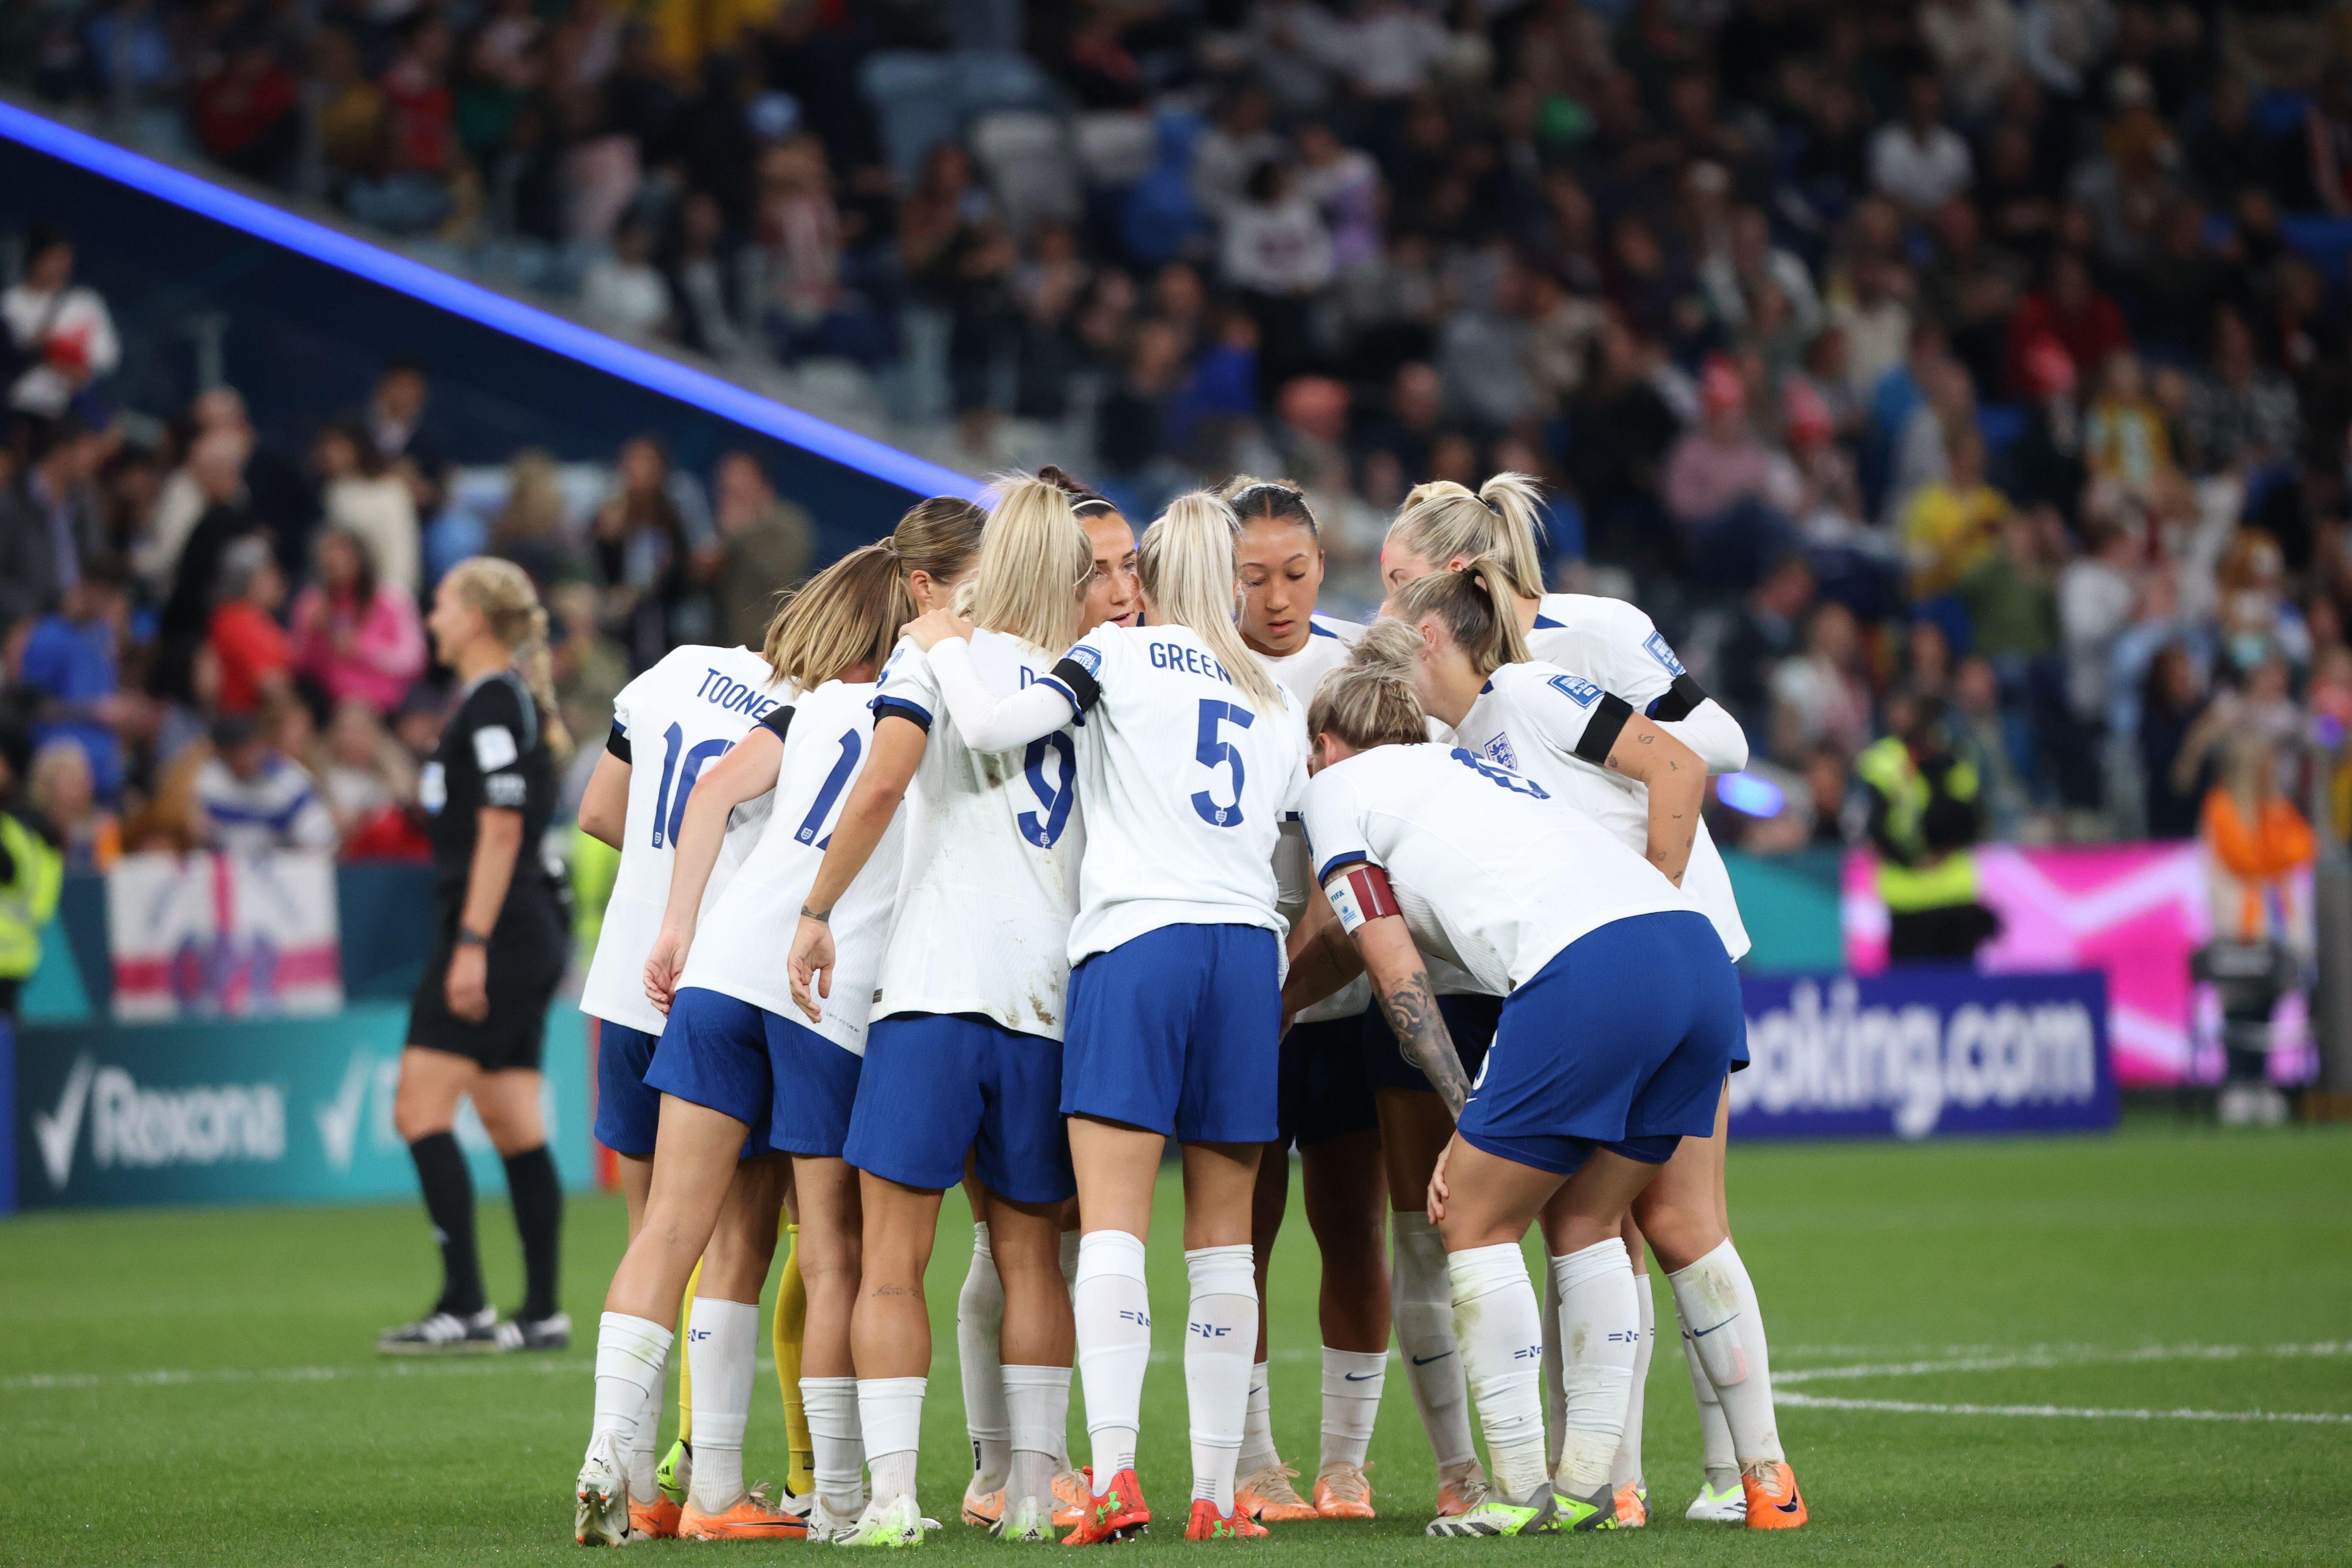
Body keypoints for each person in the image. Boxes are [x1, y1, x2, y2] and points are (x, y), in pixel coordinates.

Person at [1379, 473, 1796, 1529]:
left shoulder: (1551, 670)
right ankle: (1656, 1482)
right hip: (1616, 969)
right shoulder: (1461, 724)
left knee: (1655, 1219)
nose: (1383, 608)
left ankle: (1705, 1474)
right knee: (1610, 1221)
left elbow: (1692, 758)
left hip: (1653, 954)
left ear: (1448, 589)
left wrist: (1648, 897)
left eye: (1396, 583)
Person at [903, 491, 1310, 1543]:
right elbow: (1292, 837)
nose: (1120, 588)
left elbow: (992, 727)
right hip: (1245, 950)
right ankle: (1217, 1495)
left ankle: (1118, 1475)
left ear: (1156, 580)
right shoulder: (1272, 692)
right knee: (1224, 1246)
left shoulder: (1116, 657)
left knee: (1114, 1226)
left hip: (1138, 944)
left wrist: (944, 647)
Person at [1282, 625, 1744, 1536]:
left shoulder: (1332, 789)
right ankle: (1589, 1485)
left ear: (1325, 744)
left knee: (1472, 1215)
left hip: (1589, 966)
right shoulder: (1469, 767)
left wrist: (1467, 1121)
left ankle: (1519, 1489)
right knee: (1588, 1221)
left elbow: (1395, 972)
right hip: (1693, 950)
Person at [575, 543, 913, 1547]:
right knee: (818, 1248)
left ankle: (615, 1459)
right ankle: (825, 1497)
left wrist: (676, 926)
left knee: (664, 1231)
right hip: (812, 989)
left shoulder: (714, 682)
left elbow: (659, 800)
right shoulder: (911, 714)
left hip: (689, 975)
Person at [782, 478, 1097, 1546]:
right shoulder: (1078, 678)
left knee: (892, 1262)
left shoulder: (931, 654)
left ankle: (890, 1499)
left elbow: (881, 785)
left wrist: (816, 911)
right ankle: (1031, 1498)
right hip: (1044, 999)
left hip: (933, 989)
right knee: (1030, 1257)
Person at [571, 615, 793, 1539]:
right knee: (738, 1240)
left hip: (628, 978)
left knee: (654, 1237)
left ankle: (630, 1479)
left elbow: (597, 811)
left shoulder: (676, 669)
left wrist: (667, 882)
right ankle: (716, 1489)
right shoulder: (818, 705)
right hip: (723, 987)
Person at [946, 464, 1135, 1540]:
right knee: (1011, 1234)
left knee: (1052, 1232)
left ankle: (1029, 1464)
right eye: (1094, 571)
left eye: (1126, 569)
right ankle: (1008, 1466)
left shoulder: (1113, 684)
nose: (1116, 590)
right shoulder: (991, 670)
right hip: (997, 979)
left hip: (1080, 977)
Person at [1218, 477, 1396, 1523]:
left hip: (1339, 999)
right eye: (1254, 577)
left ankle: (1344, 1465)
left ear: (1323, 567)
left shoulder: (1357, 669)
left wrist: (1307, 973)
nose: (1277, 597)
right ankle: (1253, 1464)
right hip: (1235, 999)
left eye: (1295, 573)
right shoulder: (1195, 666)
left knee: (1353, 1227)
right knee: (1237, 1239)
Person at [377, 559, 573, 1356]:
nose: (430, 618)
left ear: (478, 619)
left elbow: (500, 828)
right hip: (522, 928)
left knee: (418, 1109)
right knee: (510, 1117)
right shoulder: (500, 703)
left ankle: (464, 1303)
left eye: (441, 604)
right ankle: (542, 1311)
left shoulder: (493, 704)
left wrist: (470, 945)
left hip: (497, 930)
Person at [289, 527, 428, 715]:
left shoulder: (392, 600)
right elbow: (300, 664)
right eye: (329, 558)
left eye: (343, 555)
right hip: (329, 703)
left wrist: (361, 649)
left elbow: (413, 660)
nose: (335, 562)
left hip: (387, 704)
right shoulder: (313, 603)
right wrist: (314, 634)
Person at [2, 227, 119, 423]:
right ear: (35, 259)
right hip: (16, 408)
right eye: (55, 259)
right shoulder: (9, 303)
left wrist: (74, 367)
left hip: (67, 414)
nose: (62, 268)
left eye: (66, 261)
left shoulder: (85, 303)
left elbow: (107, 358)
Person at [193, 708, 338, 854]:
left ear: (261, 744)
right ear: (221, 753)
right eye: (234, 751)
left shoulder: (291, 781)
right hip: (228, 863)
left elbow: (320, 841)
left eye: (249, 748)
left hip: (283, 863)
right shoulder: (208, 778)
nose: (244, 758)